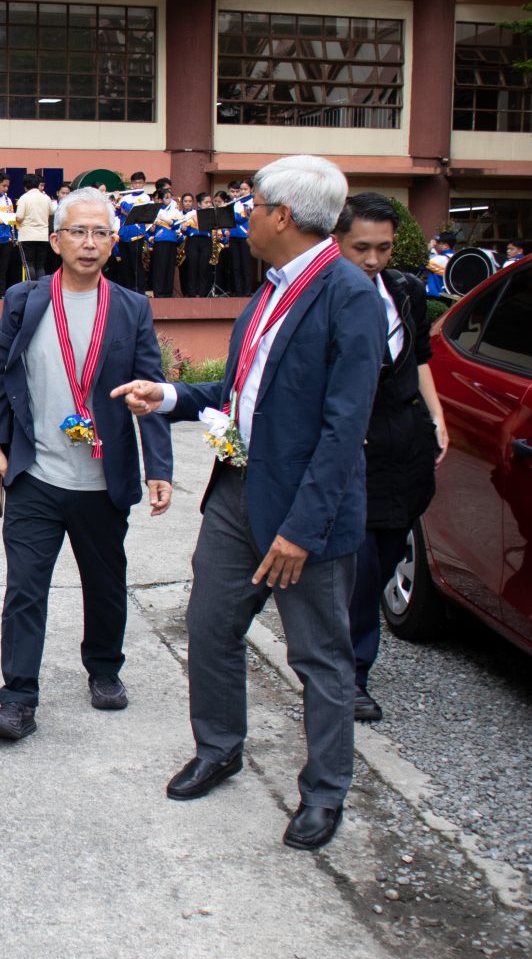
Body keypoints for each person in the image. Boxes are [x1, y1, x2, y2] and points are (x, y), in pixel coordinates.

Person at [111, 154, 383, 852]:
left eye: (253, 205)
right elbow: (240, 396)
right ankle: (220, 746)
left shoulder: (348, 295)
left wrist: (301, 529)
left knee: (320, 658)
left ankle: (324, 793)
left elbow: (343, 427)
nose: (244, 216)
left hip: (304, 514)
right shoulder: (270, 292)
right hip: (238, 490)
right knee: (211, 624)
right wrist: (166, 396)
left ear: (283, 216)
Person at [0, 188, 173, 741]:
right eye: (79, 233)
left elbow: (150, 392)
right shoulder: (25, 298)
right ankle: (18, 698)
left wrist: (158, 465)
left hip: (101, 477)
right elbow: (2, 373)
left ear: (113, 243)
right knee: (24, 589)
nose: (89, 243)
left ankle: (105, 668)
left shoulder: (132, 308)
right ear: (57, 239)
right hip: (35, 474)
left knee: (106, 583)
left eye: (101, 234)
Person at [338, 194, 448, 722]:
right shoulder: (325, 301)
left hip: (404, 439)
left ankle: (346, 649)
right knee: (359, 564)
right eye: (361, 247)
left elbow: (421, 359)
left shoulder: (404, 289)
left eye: (383, 248)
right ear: (337, 243)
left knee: (385, 555)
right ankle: (353, 673)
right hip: (356, 443)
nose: (373, 259)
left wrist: (437, 418)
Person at [15, 177, 57, 280]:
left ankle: (31, 288)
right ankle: (41, 288)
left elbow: (19, 217)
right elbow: (52, 212)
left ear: (25, 187)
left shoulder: (24, 198)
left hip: (27, 236)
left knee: (28, 264)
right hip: (42, 236)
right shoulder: (46, 197)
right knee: (40, 265)